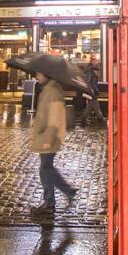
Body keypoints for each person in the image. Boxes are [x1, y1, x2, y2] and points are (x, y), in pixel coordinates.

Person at [29, 71, 76, 218]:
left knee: (45, 169)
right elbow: (45, 113)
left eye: (39, 74)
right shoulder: (48, 89)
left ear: (46, 75)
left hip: (49, 137)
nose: (37, 76)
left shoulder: (53, 91)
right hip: (45, 135)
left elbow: (54, 118)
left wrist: (48, 139)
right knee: (46, 169)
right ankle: (59, 196)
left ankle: (51, 203)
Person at [79, 58, 104, 126]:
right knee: (96, 107)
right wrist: (94, 91)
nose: (98, 73)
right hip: (91, 93)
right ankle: (101, 120)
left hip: (90, 93)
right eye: (97, 71)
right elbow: (91, 84)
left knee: (89, 108)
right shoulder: (91, 73)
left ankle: (83, 121)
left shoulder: (90, 71)